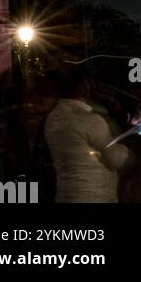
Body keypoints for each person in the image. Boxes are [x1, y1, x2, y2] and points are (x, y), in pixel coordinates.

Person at [43, 71, 132, 203]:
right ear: (83, 87)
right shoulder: (89, 120)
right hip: (94, 197)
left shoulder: (53, 117)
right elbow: (116, 159)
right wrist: (130, 148)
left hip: (66, 196)